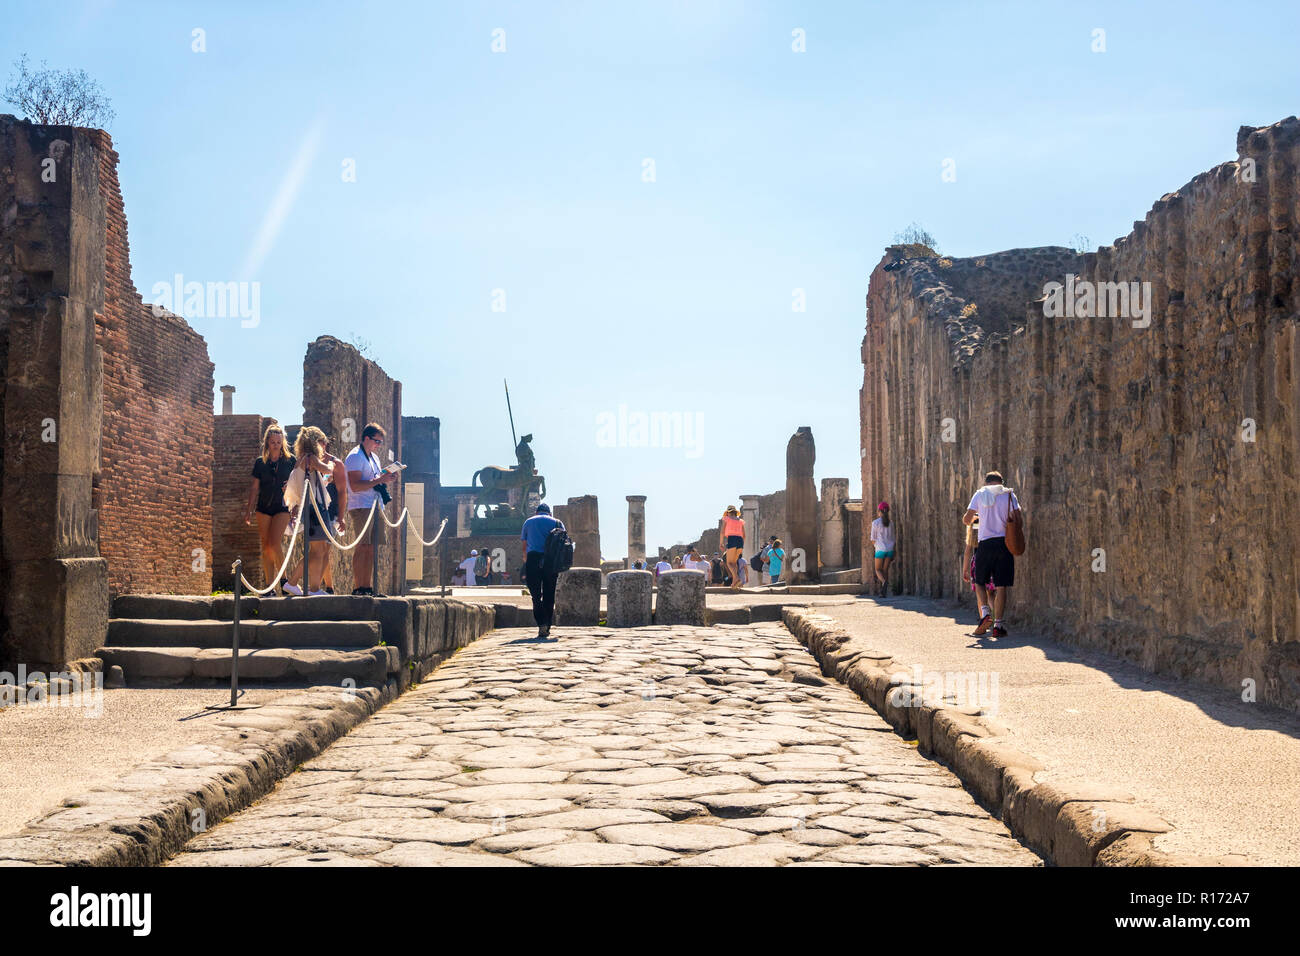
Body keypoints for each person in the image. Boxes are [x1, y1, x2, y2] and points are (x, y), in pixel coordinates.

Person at [962, 470, 1021, 638]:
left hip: (985, 544)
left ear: (987, 483)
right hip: (1004, 544)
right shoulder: (1009, 495)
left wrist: (980, 516)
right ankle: (998, 626)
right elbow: (1018, 518)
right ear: (1001, 482)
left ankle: (986, 613)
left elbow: (967, 519)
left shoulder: (980, 494)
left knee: (979, 581)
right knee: (1001, 586)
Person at [346, 423, 398, 596]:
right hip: (361, 506)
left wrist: (386, 477)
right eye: (377, 441)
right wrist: (379, 480)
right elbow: (354, 486)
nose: (379, 445)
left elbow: (374, 478)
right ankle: (358, 587)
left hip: (376, 505)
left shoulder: (374, 457)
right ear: (366, 438)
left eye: (381, 442)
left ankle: (367, 587)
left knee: (371, 547)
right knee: (362, 546)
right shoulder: (355, 457)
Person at [282, 426, 334, 596]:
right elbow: (328, 470)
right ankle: (311, 588)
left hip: (310, 509)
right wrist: (331, 463)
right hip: (314, 510)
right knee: (318, 551)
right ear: (315, 443)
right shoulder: (310, 458)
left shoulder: (300, 460)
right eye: (322, 442)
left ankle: (294, 583)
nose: (324, 446)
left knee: (317, 550)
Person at [244, 423, 295, 593]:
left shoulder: (290, 461)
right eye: (273, 442)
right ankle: (269, 586)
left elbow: (299, 483)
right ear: (267, 443)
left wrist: (291, 491)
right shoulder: (260, 463)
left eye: (278, 442)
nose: (275, 445)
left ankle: (284, 580)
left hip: (282, 507)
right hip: (263, 507)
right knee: (266, 546)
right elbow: (254, 487)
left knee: (274, 543)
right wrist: (248, 510)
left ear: (282, 443)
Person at [521, 503, 564, 639]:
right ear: (549, 513)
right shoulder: (557, 522)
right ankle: (547, 625)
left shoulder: (528, 522)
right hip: (551, 560)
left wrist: (526, 561)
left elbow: (524, 546)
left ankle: (541, 623)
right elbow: (563, 543)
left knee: (535, 594)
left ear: (536, 512)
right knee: (549, 593)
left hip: (533, 559)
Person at [962, 516, 997, 633]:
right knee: (991, 593)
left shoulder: (975, 524)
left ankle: (984, 619)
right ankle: (997, 619)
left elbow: (968, 551)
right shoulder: (990, 522)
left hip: (979, 561)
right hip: (993, 559)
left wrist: (965, 569)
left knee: (980, 592)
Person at [871, 501, 896, 597]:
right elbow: (893, 538)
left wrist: (877, 547)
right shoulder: (891, 523)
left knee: (877, 569)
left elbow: (873, 539)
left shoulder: (875, 523)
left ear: (879, 511)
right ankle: (883, 592)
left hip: (880, 549)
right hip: (890, 549)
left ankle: (884, 582)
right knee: (885, 570)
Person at [720, 505, 745, 592]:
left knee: (729, 563)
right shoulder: (741, 521)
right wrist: (742, 545)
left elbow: (722, 532)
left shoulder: (726, 519)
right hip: (740, 541)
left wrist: (721, 542)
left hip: (732, 539)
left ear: (728, 512)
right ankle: (734, 583)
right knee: (734, 563)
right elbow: (744, 535)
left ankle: (737, 578)